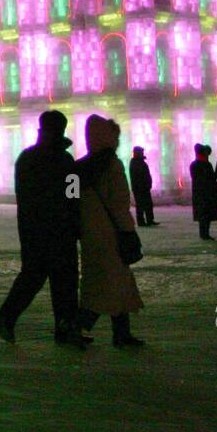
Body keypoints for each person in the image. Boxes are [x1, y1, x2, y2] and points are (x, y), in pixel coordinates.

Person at [0, 110, 84, 347]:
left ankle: (63, 326)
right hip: (46, 230)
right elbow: (70, 195)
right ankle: (8, 317)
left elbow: (72, 194)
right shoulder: (59, 161)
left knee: (58, 280)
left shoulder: (33, 159)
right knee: (40, 278)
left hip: (45, 230)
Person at [74, 115, 145, 347]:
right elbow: (119, 203)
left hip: (90, 234)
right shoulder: (112, 165)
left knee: (108, 283)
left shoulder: (80, 167)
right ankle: (77, 328)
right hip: (111, 234)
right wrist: (127, 229)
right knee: (111, 285)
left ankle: (120, 333)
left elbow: (70, 199)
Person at [190, 144, 217, 240]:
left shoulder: (205, 164)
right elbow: (204, 179)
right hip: (202, 194)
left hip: (206, 194)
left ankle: (205, 233)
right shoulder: (198, 165)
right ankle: (204, 234)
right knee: (204, 215)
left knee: (206, 215)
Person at [128, 146, 156, 226]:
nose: (142, 153)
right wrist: (142, 185)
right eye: (141, 152)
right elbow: (138, 176)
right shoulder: (135, 163)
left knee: (148, 204)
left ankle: (150, 220)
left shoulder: (140, 162)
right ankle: (141, 221)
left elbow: (146, 175)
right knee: (140, 205)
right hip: (139, 188)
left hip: (144, 187)